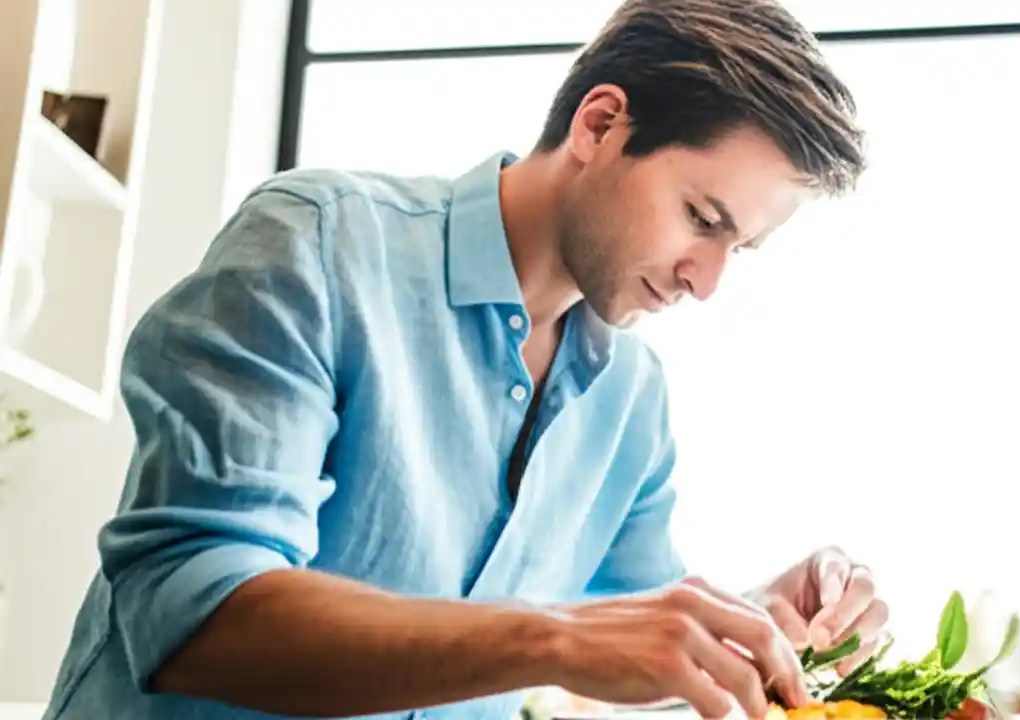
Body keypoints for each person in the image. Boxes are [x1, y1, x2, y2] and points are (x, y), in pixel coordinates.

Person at [43, 1, 885, 718]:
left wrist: (752, 621)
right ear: (599, 124)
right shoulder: (320, 242)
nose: (706, 283)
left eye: (744, 248)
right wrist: (553, 639)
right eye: (703, 218)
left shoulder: (632, 399)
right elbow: (196, 613)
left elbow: (625, 633)